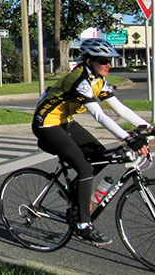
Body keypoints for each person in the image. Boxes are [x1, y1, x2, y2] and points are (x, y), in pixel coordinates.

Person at [33, 38, 151, 245]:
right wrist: (127, 138)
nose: (109, 64)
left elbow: (119, 108)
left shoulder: (98, 80)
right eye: (104, 60)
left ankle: (76, 195)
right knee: (85, 169)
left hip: (65, 122)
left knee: (101, 156)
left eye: (110, 60)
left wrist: (147, 128)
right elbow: (99, 115)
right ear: (89, 61)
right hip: (47, 124)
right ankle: (83, 225)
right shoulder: (79, 80)